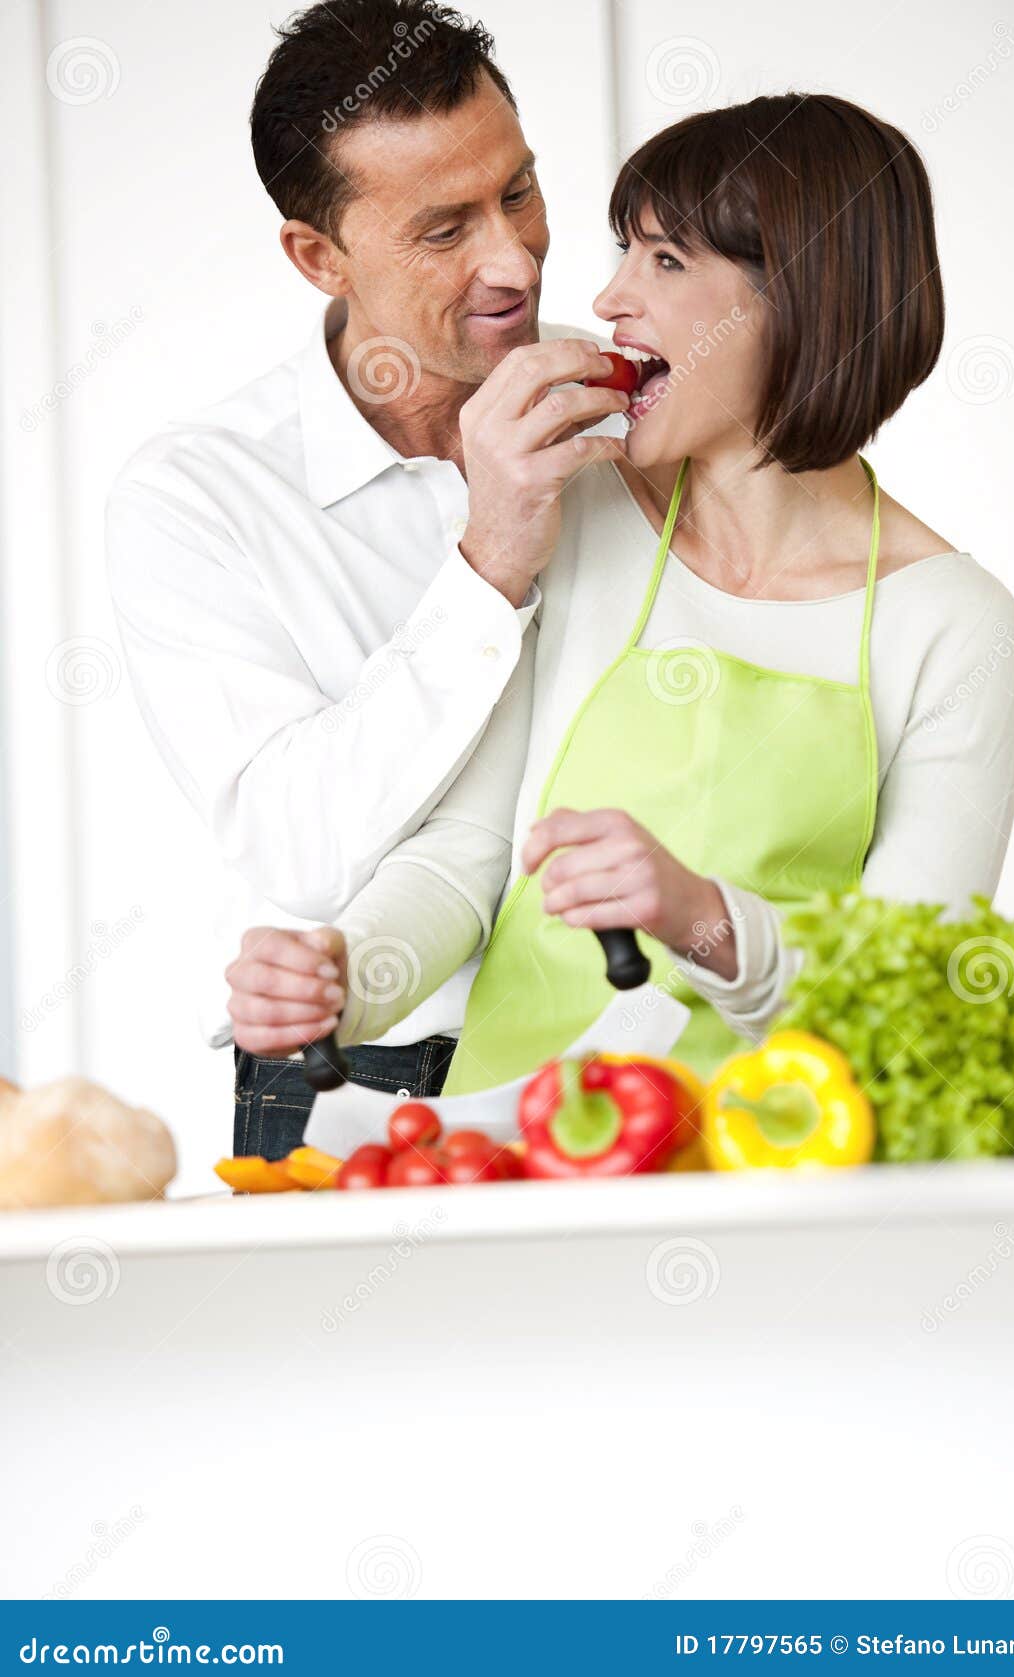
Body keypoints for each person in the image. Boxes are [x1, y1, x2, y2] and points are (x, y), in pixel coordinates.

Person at [227, 93, 1014, 1112]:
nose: (605, 298)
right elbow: (468, 855)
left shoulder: (953, 623)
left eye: (665, 261)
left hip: (769, 1166)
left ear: (800, 293)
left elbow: (913, 999)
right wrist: (347, 975)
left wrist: (701, 916)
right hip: (513, 1152)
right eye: (621, 250)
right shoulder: (586, 512)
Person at [105, 0, 627, 1143]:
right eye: (444, 231)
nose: (513, 260)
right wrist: (489, 556)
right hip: (348, 1090)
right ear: (317, 256)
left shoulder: (626, 430)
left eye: (519, 192)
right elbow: (299, 848)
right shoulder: (195, 500)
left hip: (624, 1064)